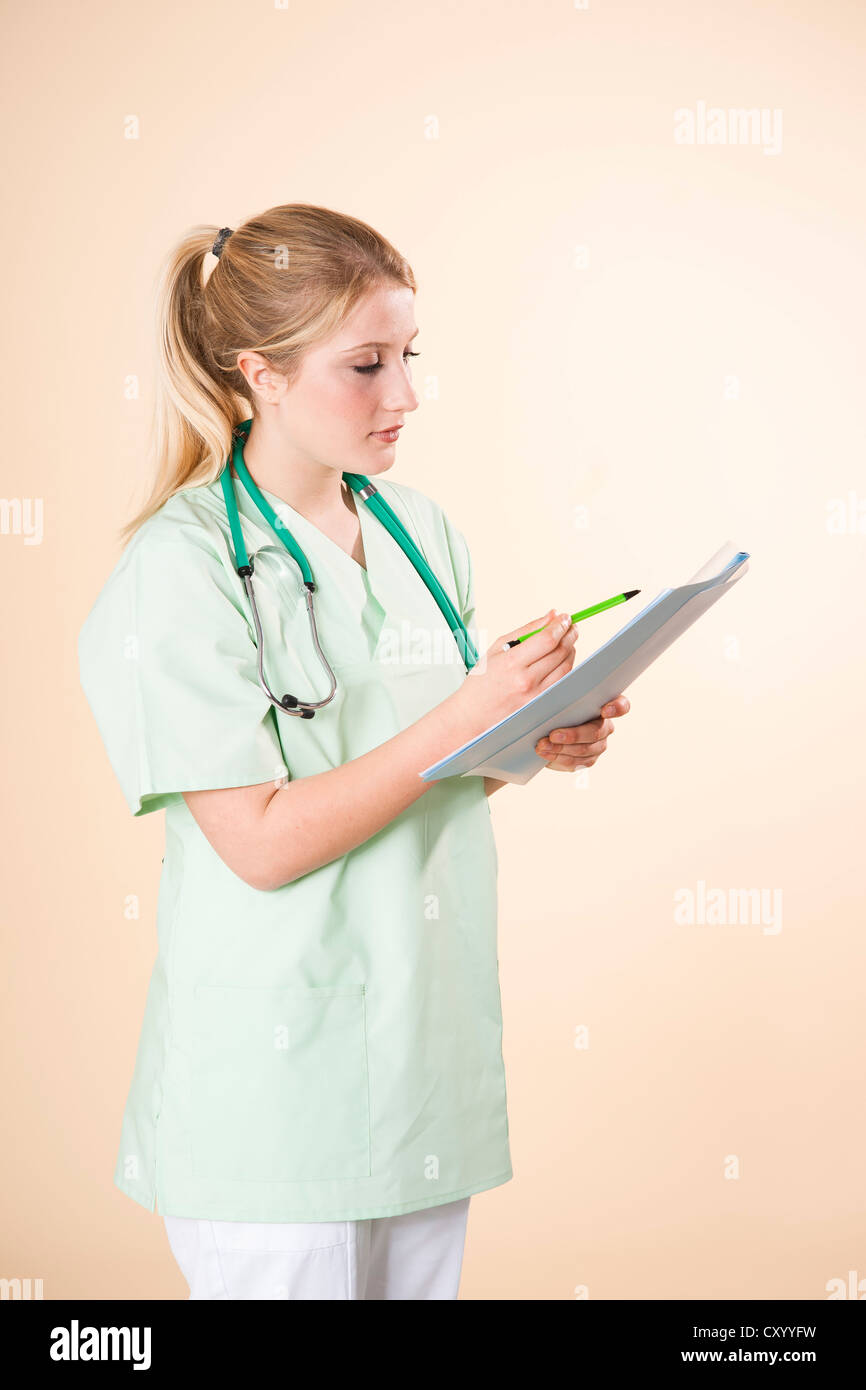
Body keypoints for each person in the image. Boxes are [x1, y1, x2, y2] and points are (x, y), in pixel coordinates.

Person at [78, 202, 630, 1300]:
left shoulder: (421, 533)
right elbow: (263, 844)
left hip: (419, 1068)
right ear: (260, 374)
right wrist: (467, 714)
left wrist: (529, 737)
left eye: (409, 357)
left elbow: (417, 764)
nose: (407, 394)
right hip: (272, 1096)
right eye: (366, 364)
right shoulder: (178, 573)